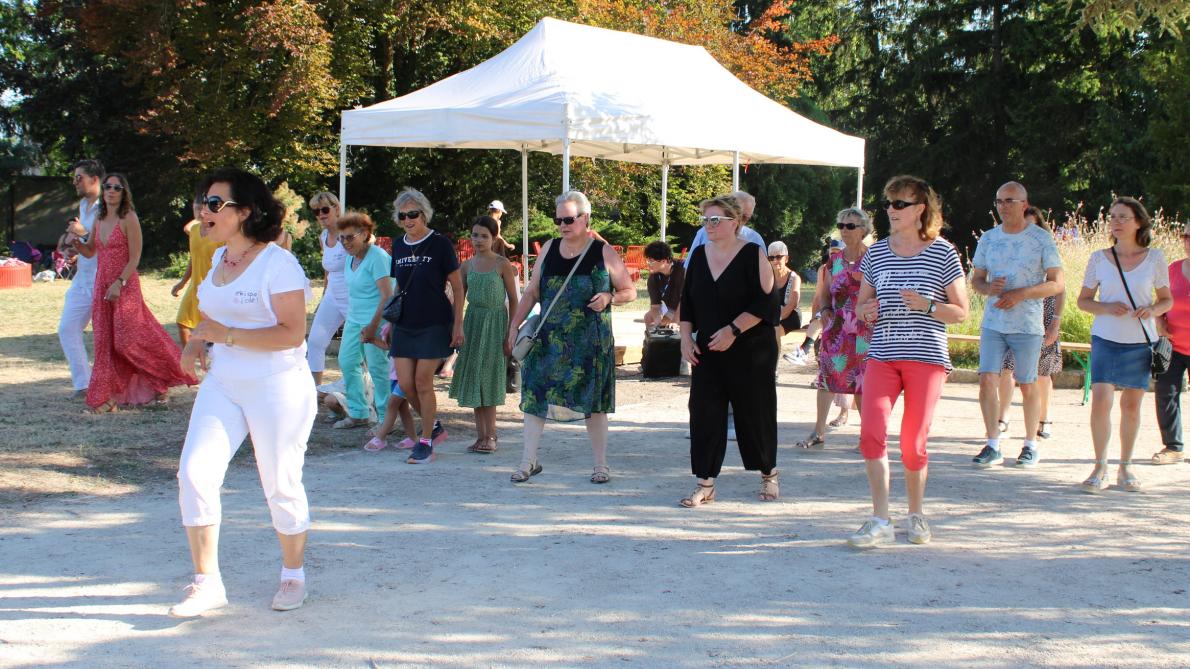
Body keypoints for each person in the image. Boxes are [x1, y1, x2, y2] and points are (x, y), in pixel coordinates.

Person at [171, 168, 316, 617]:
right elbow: (210, 316)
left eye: (215, 203)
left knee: (280, 483)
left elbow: (292, 334)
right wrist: (197, 341)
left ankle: (293, 576)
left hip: (278, 386)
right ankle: (206, 583)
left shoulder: (279, 263)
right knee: (194, 473)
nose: (204, 211)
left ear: (245, 212)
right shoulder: (217, 260)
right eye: (202, 201)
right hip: (224, 383)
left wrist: (226, 335)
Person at [849, 176, 969, 548]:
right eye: (888, 203)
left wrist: (928, 306)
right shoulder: (877, 252)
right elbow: (861, 306)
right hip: (883, 355)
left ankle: (916, 515)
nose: (891, 210)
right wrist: (866, 311)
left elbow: (961, 312)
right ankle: (880, 519)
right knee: (871, 433)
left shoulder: (943, 252)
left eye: (900, 204)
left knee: (913, 442)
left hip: (926, 357)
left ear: (920, 209)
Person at [505, 190, 635, 484]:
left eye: (569, 219)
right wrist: (515, 325)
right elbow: (532, 291)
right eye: (558, 219)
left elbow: (628, 290)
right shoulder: (549, 249)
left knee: (595, 404)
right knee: (535, 396)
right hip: (548, 339)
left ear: (585, 218)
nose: (563, 224)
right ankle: (528, 461)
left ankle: (601, 465)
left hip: (590, 342)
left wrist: (608, 297)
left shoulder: (602, 251)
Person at [677, 194, 778, 507]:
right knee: (704, 413)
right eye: (705, 220)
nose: (709, 225)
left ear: (735, 222)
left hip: (751, 348)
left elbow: (768, 304)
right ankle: (705, 483)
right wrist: (684, 337)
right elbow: (688, 302)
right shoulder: (698, 256)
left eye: (715, 220)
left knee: (755, 414)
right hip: (708, 348)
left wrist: (734, 330)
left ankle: (769, 474)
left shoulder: (752, 253)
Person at [70, 174, 196, 412]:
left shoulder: (129, 218)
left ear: (123, 192)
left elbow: (135, 257)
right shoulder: (99, 218)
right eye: (108, 187)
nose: (111, 191)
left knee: (128, 341)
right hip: (102, 285)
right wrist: (77, 244)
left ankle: (162, 379)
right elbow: (90, 252)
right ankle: (106, 398)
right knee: (105, 342)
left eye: (117, 187)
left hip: (124, 284)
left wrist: (120, 282)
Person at [1076, 197, 1172, 493]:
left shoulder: (1155, 258)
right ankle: (1099, 466)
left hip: (1140, 341)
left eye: (1123, 217)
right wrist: (1106, 307)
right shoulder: (1099, 258)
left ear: (1139, 222)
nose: (1116, 222)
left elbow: (1166, 299)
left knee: (1131, 406)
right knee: (1101, 400)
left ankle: (1125, 466)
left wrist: (1153, 311)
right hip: (1105, 337)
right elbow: (1083, 300)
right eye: (1113, 217)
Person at [970, 182, 1064, 469]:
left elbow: (1057, 283)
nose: (1003, 206)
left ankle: (1030, 444)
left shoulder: (1040, 239)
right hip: (993, 322)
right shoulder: (988, 238)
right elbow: (976, 281)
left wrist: (1022, 293)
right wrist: (989, 288)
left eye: (1009, 200)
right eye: (998, 201)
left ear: (1024, 203)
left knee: (1027, 382)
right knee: (987, 378)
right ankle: (992, 443)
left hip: (1027, 323)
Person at [389, 188, 463, 464]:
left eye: (413, 214)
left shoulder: (440, 244)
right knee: (406, 385)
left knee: (422, 381)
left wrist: (458, 325)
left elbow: (457, 287)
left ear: (424, 214)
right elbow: (398, 285)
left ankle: (425, 441)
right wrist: (390, 320)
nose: (408, 219)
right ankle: (434, 426)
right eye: (403, 215)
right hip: (405, 323)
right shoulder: (397, 245)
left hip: (435, 322)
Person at [797, 208, 874, 449]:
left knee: (862, 383)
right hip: (837, 329)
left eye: (850, 226)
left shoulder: (874, 258)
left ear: (863, 230)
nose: (844, 230)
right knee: (827, 380)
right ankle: (818, 432)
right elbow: (824, 295)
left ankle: (868, 436)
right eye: (841, 225)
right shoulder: (835, 261)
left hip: (865, 331)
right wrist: (825, 311)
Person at [449, 216, 520, 453]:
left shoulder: (502, 265)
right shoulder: (466, 266)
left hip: (495, 324)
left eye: (484, 236)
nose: (478, 240)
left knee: (489, 380)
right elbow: (458, 299)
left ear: (494, 238)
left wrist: (512, 331)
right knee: (475, 380)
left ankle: (492, 436)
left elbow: (514, 299)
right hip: (474, 324)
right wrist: (457, 326)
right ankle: (480, 436)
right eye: (475, 235)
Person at [995, 206, 1063, 440]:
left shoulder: (1048, 250)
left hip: (1043, 315)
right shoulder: (1007, 249)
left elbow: (1060, 288)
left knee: (1042, 373)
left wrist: (1055, 322)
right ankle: (1002, 419)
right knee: (1007, 369)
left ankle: (1044, 419)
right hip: (1014, 316)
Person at [333, 212, 394, 430]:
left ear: (365, 234)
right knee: (347, 362)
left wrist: (373, 326)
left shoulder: (377, 257)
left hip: (376, 320)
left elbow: (388, 295)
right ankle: (358, 413)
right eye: (342, 238)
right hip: (354, 318)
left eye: (350, 237)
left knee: (378, 369)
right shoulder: (350, 257)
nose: (345, 243)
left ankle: (387, 418)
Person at [58, 159, 103, 397]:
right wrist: (73, 250)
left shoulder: (108, 206)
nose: (75, 182)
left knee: (109, 336)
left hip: (103, 279)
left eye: (79, 178)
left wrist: (82, 234)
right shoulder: (84, 205)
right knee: (67, 328)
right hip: (83, 279)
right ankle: (83, 384)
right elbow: (88, 244)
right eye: (74, 178)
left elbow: (109, 242)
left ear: (94, 179)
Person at [1153, 221, 1190, 465]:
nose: (1189, 241)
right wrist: (1158, 320)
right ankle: (1173, 447)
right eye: (1186, 235)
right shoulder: (1173, 269)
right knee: (1166, 393)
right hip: (1174, 345)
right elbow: (1160, 301)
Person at [305, 192, 348, 385]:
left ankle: (365, 392)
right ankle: (314, 390)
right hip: (332, 295)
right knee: (315, 342)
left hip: (353, 297)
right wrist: (324, 293)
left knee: (360, 348)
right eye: (316, 211)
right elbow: (328, 270)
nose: (321, 214)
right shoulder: (323, 236)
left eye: (324, 209)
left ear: (336, 209)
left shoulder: (349, 232)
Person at [173, 192, 224, 348]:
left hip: (215, 288)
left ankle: (215, 357)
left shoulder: (220, 232)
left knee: (215, 330)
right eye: (197, 209)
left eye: (204, 208)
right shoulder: (194, 230)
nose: (201, 213)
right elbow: (193, 259)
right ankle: (189, 363)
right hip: (195, 286)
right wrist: (182, 283)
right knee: (182, 321)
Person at [364, 326, 418, 452]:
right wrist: (371, 340)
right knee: (402, 408)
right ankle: (413, 438)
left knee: (392, 404)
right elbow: (389, 346)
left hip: (407, 375)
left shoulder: (410, 328)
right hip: (394, 376)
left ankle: (380, 438)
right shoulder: (392, 326)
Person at [684, 190, 765, 270]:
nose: (739, 220)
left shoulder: (755, 239)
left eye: (745, 217)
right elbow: (689, 269)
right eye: (738, 213)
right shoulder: (704, 233)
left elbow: (764, 275)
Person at [643, 240, 684, 329]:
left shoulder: (682, 270)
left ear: (664, 261)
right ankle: (654, 342)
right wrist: (657, 321)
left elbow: (685, 301)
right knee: (649, 318)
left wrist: (675, 322)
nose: (648, 264)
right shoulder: (653, 277)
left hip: (687, 308)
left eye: (651, 261)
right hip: (671, 308)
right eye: (647, 260)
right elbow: (655, 306)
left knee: (674, 325)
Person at [768, 241, 801, 341]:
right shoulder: (766, 277)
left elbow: (791, 305)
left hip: (789, 317)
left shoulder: (794, 278)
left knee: (770, 334)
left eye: (778, 257)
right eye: (771, 258)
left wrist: (772, 321)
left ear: (786, 259)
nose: (775, 261)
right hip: (771, 316)